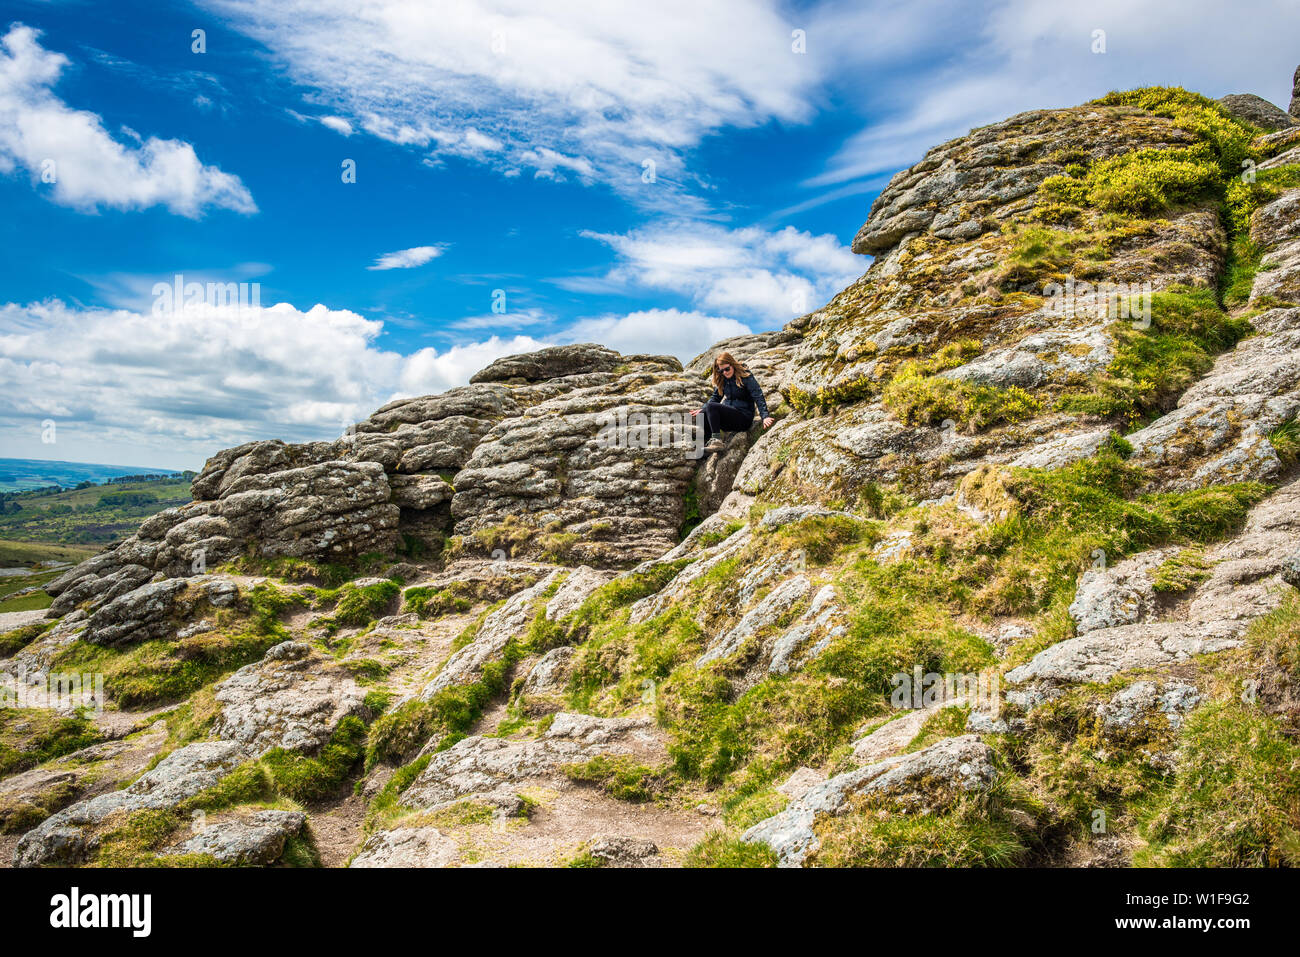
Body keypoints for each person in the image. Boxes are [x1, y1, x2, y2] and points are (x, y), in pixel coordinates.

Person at [690, 351, 775, 452]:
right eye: (721, 371)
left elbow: (757, 395)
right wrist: (702, 409)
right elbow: (716, 397)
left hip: (743, 418)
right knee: (703, 413)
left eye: (727, 369)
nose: (725, 373)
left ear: (732, 364)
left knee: (711, 407)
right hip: (731, 418)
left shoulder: (745, 375)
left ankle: (717, 441)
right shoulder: (723, 379)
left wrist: (765, 416)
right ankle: (708, 445)